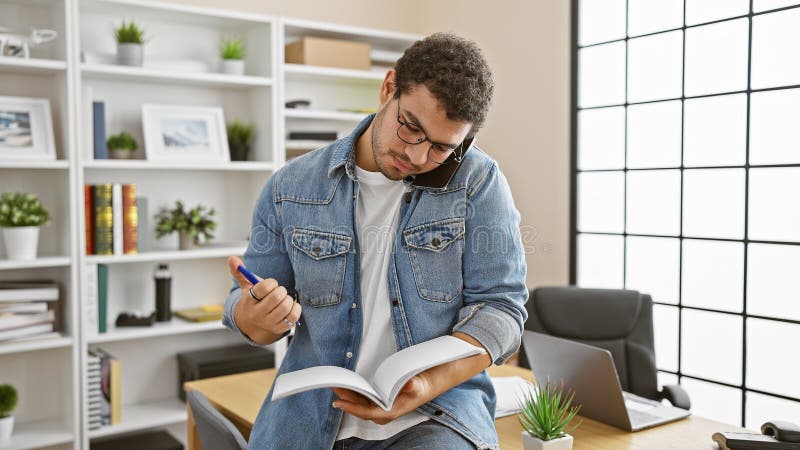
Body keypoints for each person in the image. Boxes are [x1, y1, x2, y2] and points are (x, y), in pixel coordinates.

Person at [224, 32, 528, 449]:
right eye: (411, 128)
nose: (418, 157)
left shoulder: (477, 181)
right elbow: (250, 310)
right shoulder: (291, 187)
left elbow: (502, 311)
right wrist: (253, 318)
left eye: (442, 147)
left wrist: (426, 385)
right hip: (311, 419)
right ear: (388, 88)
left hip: (435, 414)